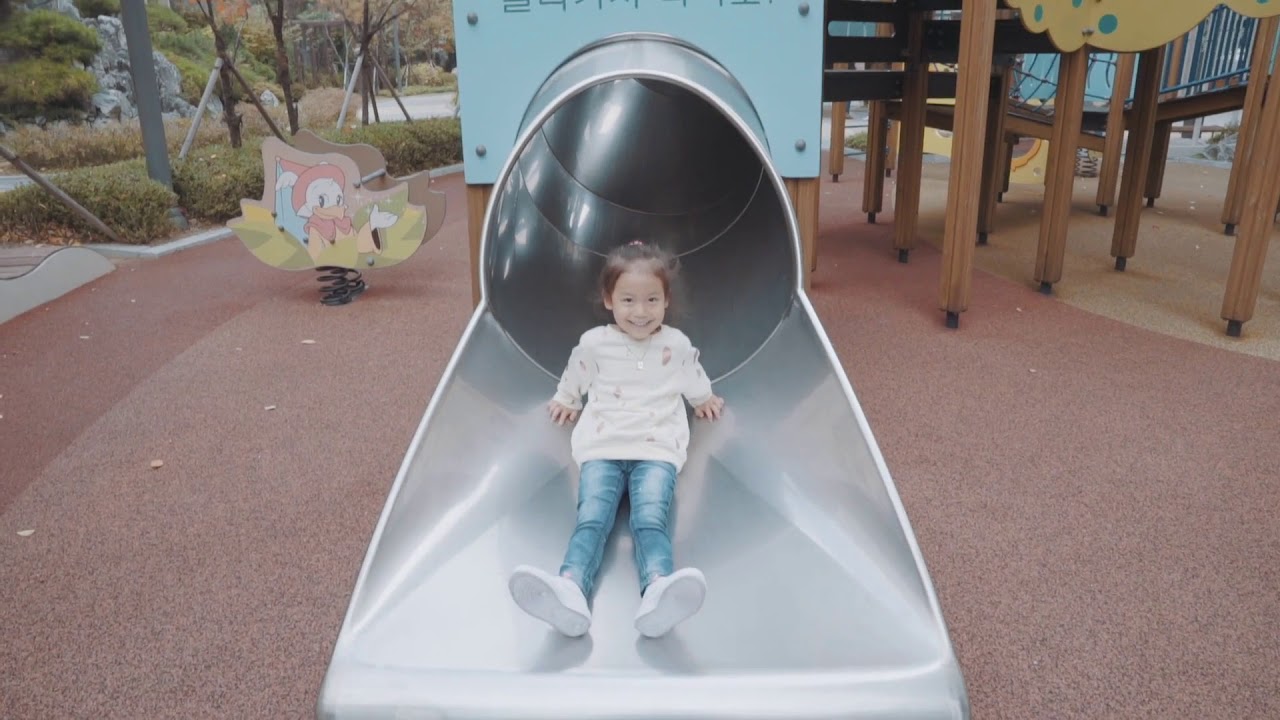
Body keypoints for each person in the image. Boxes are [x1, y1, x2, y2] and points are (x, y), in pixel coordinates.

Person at [508, 240, 725, 639]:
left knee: (649, 519)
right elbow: (576, 373)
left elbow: (694, 376)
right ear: (609, 300)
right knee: (591, 519)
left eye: (650, 300)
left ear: (666, 300)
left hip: (655, 449)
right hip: (603, 450)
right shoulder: (595, 343)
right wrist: (566, 399)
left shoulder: (675, 345)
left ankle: (658, 588)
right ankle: (570, 589)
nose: (639, 312)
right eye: (628, 300)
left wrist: (704, 399)